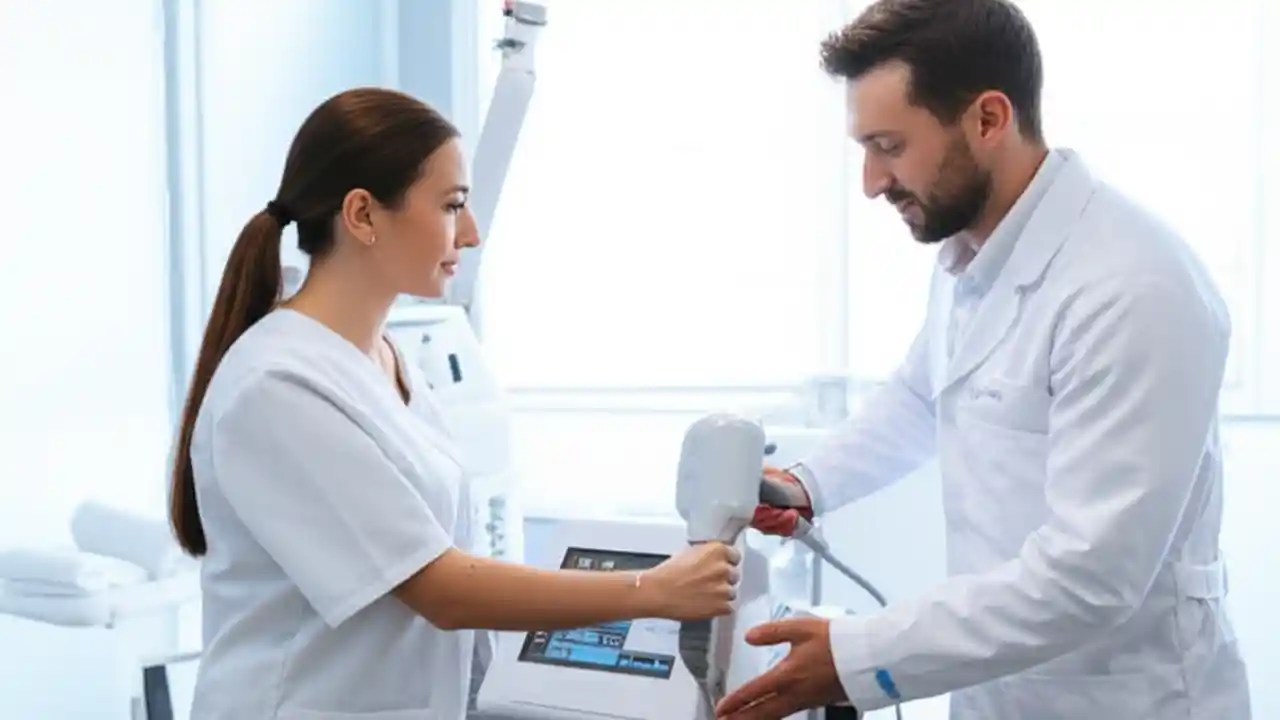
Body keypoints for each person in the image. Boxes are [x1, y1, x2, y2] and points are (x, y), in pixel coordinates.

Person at [719, 1, 1252, 719]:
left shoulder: (1133, 288)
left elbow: (1090, 576)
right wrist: (809, 485)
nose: (872, 181)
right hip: (1001, 690)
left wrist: (856, 656)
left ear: (988, 120)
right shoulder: (973, 251)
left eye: (890, 146)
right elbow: (922, 396)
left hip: (1125, 697)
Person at [168, 87, 741, 720]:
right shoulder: (277, 387)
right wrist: (651, 591)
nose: (470, 233)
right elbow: (441, 589)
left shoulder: (386, 362)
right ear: (362, 215)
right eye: (452, 205)